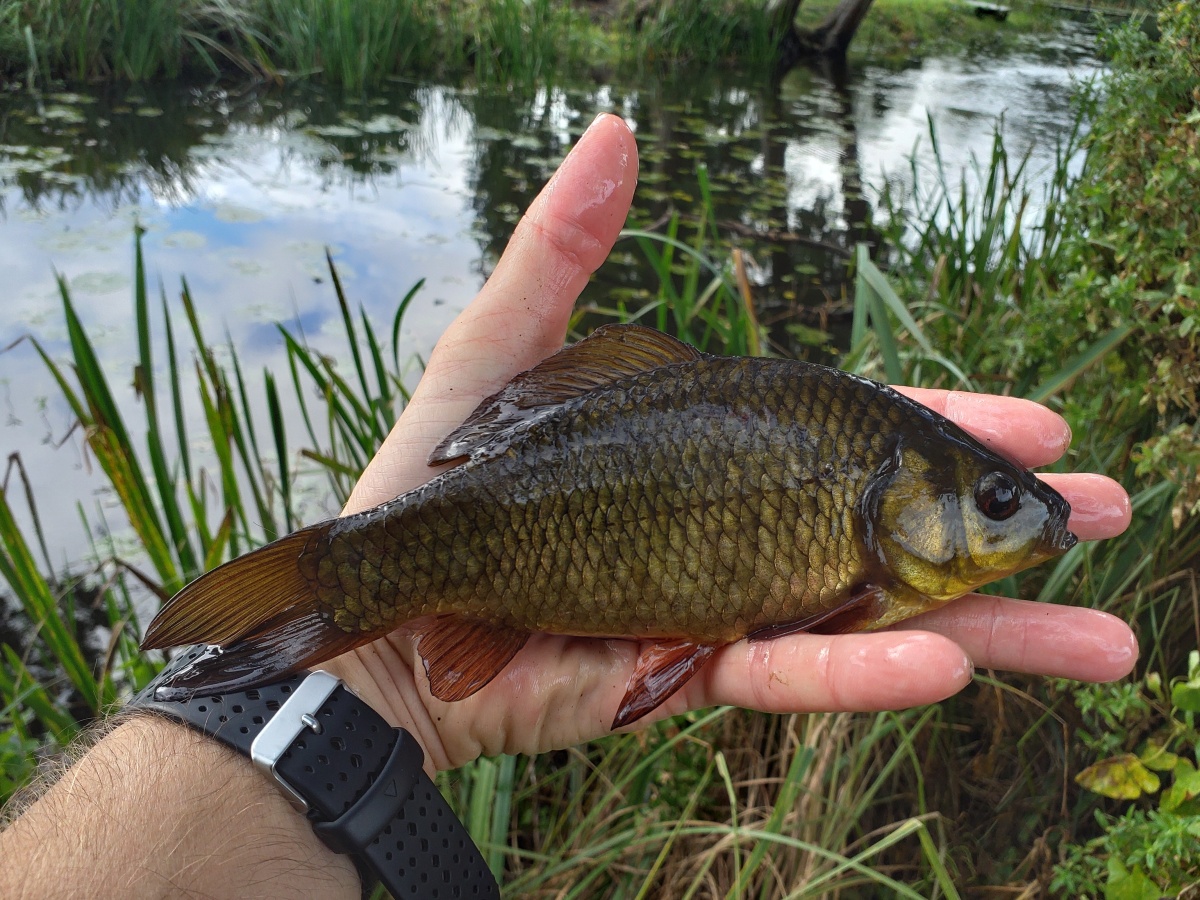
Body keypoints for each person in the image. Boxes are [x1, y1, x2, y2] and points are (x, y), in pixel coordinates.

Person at [0, 114, 1136, 898]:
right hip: (525, 513)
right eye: (995, 499)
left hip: (559, 526)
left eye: (1001, 500)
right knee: (360, 571)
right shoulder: (860, 534)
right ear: (904, 492)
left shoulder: (865, 521)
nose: (1020, 522)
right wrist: (342, 694)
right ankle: (283, 635)